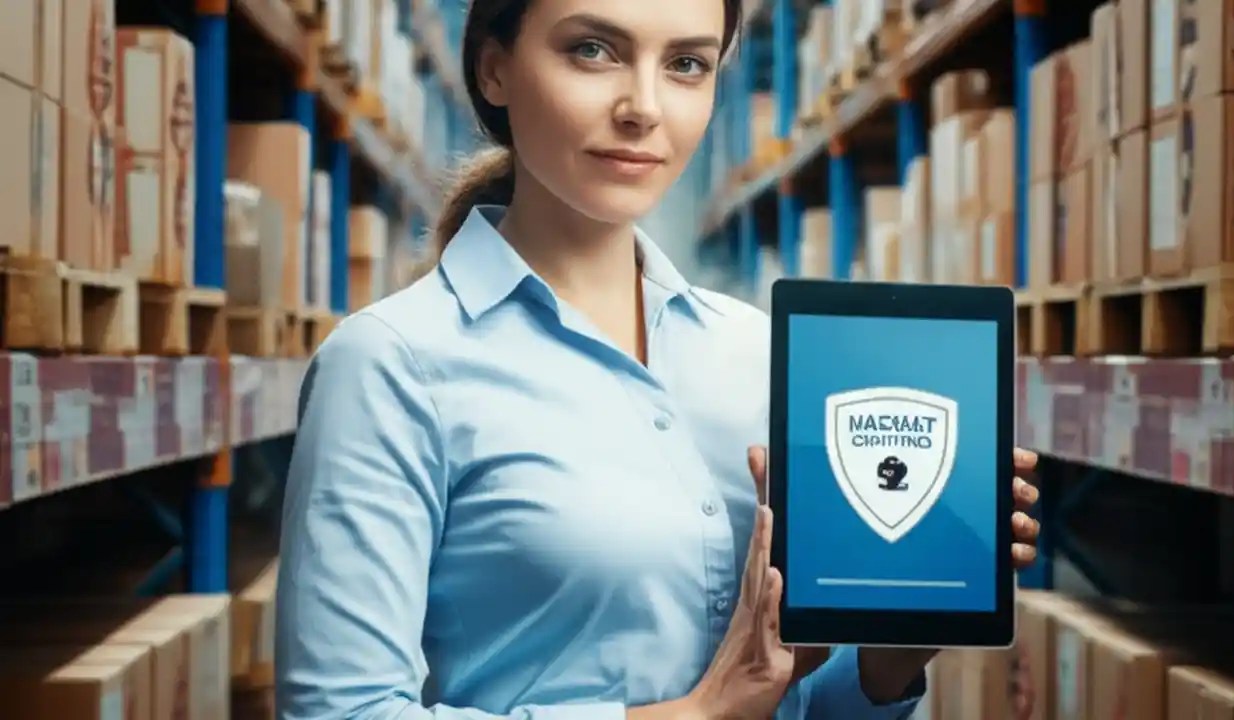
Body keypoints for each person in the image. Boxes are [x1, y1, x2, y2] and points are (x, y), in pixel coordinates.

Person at [274, 0, 1043, 717]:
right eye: (593, 50)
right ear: (493, 68)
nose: (643, 106)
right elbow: (342, 710)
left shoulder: (757, 354)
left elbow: (781, 699)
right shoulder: (391, 365)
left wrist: (889, 661)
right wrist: (695, 712)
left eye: (686, 65)